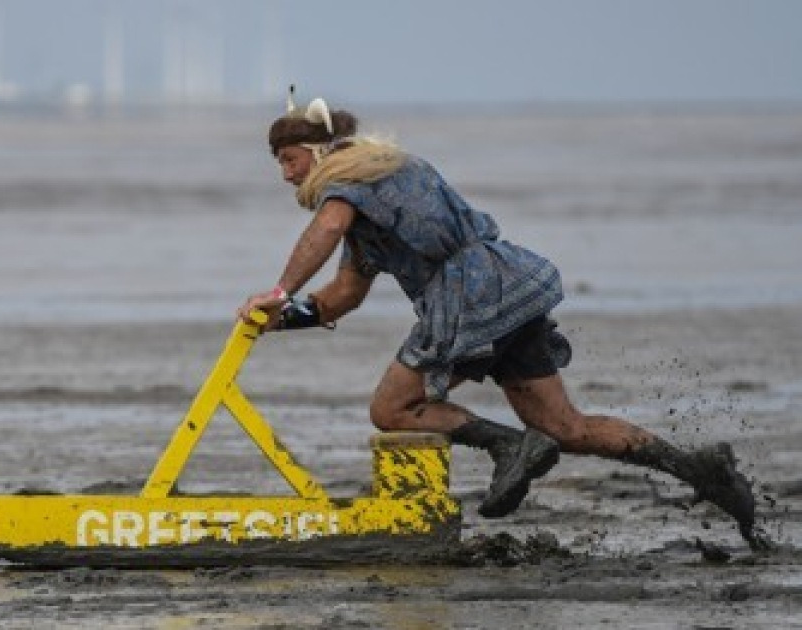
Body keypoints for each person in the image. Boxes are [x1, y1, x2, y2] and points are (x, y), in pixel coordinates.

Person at [237, 88, 766, 548]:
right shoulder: (366, 189)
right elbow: (345, 293)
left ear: (317, 151)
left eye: (289, 160)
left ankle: (508, 445)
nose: (286, 176)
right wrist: (285, 318)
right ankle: (699, 469)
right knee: (568, 428)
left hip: (470, 297)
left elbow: (324, 231)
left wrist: (281, 289)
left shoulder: (352, 179)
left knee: (393, 406)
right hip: (506, 288)